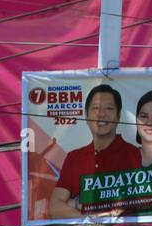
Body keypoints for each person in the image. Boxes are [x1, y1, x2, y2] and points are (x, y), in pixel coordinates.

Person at [50, 84, 141, 218]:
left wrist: (73, 203)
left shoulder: (136, 155)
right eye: (95, 108)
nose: (101, 113)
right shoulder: (74, 158)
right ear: (86, 116)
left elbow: (147, 204)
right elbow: (55, 208)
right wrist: (90, 220)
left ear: (118, 116)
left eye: (109, 108)